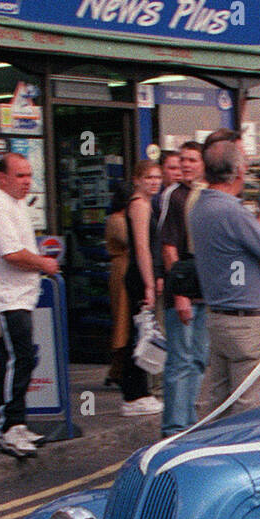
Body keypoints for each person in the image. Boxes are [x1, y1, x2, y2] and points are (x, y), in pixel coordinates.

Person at [189, 138, 260, 418]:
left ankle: (208, 452)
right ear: (239, 171)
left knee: (217, 405)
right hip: (246, 323)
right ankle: (245, 457)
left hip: (219, 317)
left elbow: (244, 246)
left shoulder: (201, 207)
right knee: (250, 407)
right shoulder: (233, 211)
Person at [0, 153, 60, 457]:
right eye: (20, 176)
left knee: (24, 359)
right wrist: (44, 264)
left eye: (28, 175)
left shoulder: (15, 204)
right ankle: (6, 429)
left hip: (21, 295)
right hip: (6, 296)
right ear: (2, 178)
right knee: (16, 359)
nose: (27, 181)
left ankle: (17, 423)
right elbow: (12, 254)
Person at [159, 140, 208, 434]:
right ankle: (174, 428)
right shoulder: (174, 196)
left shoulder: (206, 196)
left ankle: (189, 423)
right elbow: (168, 248)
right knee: (181, 360)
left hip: (206, 292)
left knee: (199, 360)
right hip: (185, 294)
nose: (187, 165)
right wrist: (180, 294)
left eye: (192, 160)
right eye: (183, 160)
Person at [116, 160, 162, 416]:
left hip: (144, 274)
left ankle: (140, 392)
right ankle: (134, 395)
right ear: (137, 179)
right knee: (141, 334)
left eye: (157, 177)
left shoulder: (145, 205)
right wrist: (148, 283)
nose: (154, 182)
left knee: (143, 332)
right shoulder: (140, 206)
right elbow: (142, 248)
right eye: (148, 178)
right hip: (138, 275)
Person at [103, 181, 133, 387]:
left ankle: (117, 369)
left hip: (125, 268)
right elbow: (129, 240)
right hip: (122, 269)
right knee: (122, 320)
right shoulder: (117, 220)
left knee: (125, 321)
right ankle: (119, 370)